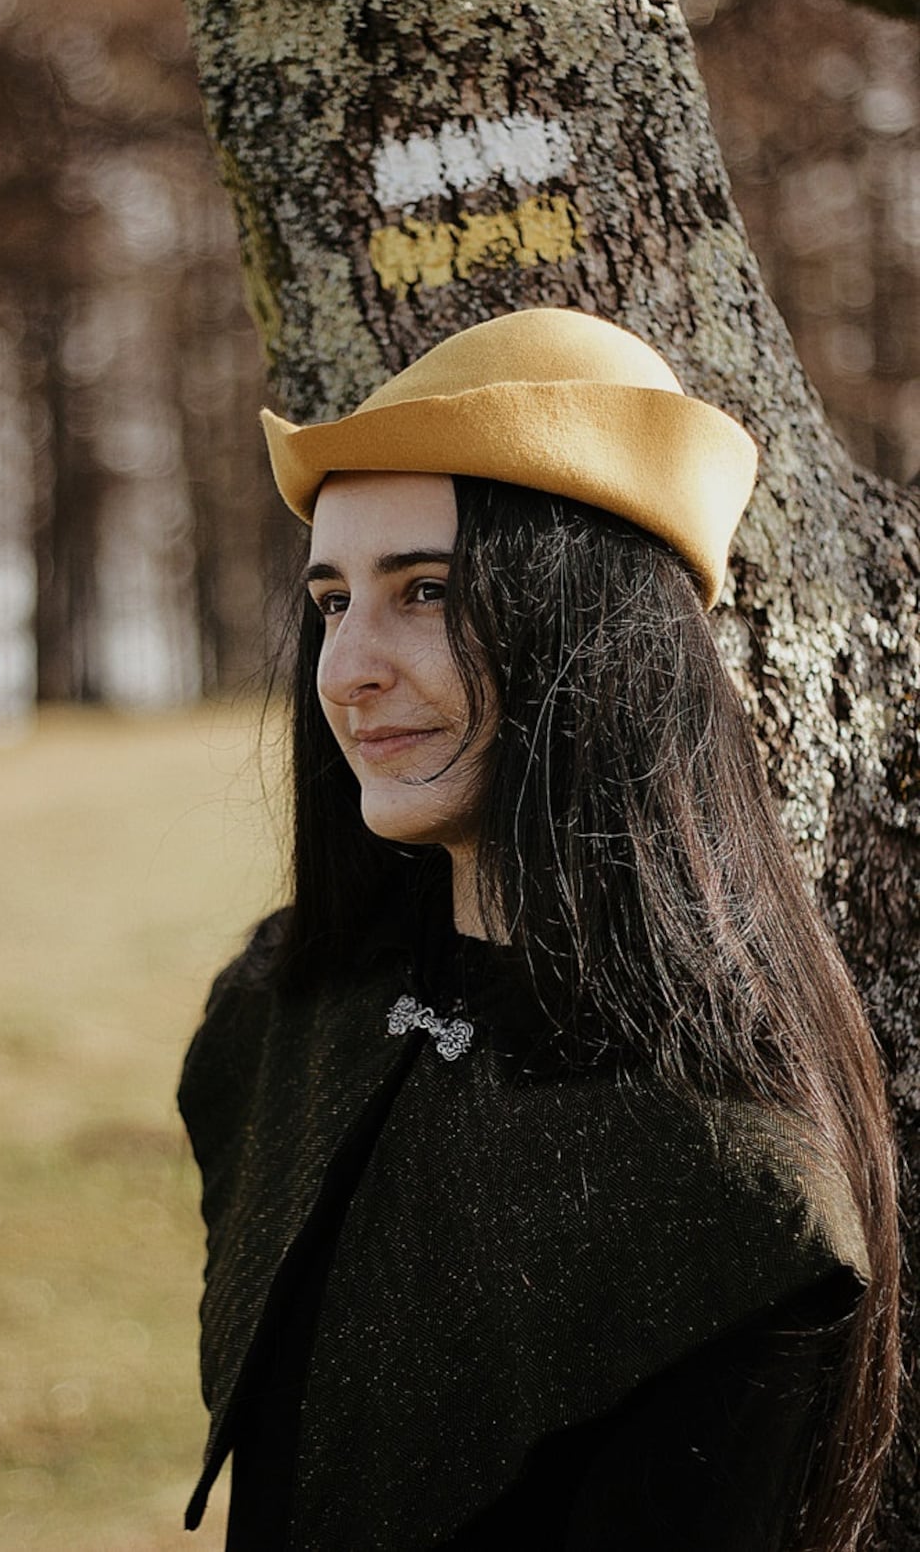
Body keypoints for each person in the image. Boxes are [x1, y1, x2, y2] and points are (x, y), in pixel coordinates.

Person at [177, 309, 900, 1551]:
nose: (346, 666)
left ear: (600, 636)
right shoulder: (278, 1013)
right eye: (334, 597)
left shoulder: (727, 1194)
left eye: (429, 591)